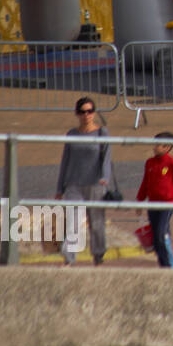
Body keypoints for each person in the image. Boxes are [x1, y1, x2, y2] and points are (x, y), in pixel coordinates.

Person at [55, 97, 116, 266]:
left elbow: (106, 158)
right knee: (73, 222)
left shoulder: (102, 132)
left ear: (94, 113)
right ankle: (69, 258)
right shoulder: (71, 134)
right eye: (82, 112)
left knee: (96, 223)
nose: (86, 115)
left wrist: (105, 177)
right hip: (74, 184)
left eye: (89, 111)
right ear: (77, 114)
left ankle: (98, 254)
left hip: (95, 183)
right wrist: (60, 188)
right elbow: (65, 160)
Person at [137, 132, 173, 268]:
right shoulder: (150, 163)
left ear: (167, 147)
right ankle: (162, 264)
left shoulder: (172, 162)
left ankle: (170, 264)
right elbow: (145, 183)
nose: (155, 147)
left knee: (160, 234)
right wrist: (139, 201)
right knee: (157, 237)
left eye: (158, 145)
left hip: (166, 204)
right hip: (152, 204)